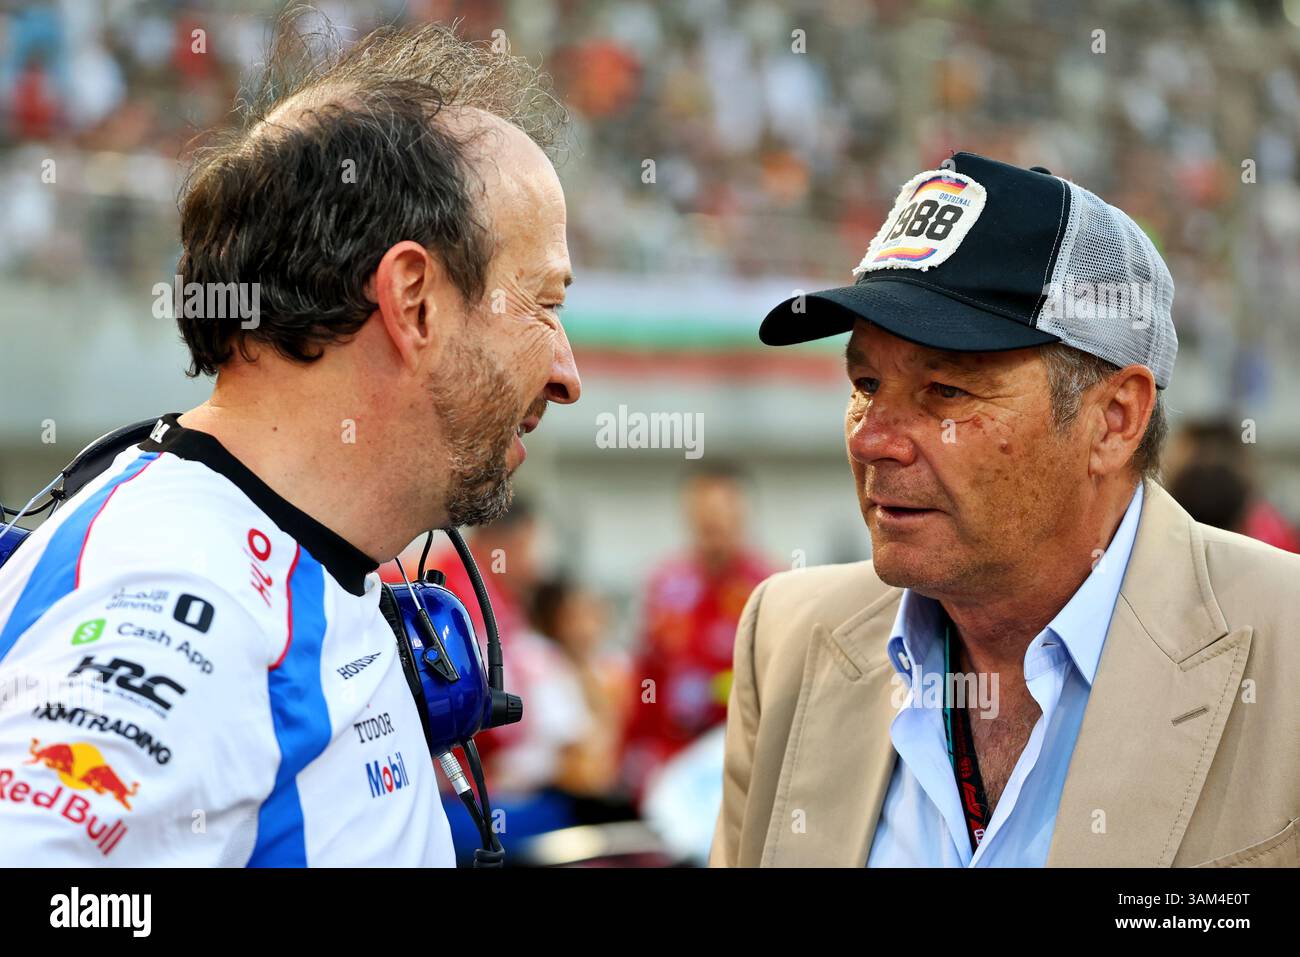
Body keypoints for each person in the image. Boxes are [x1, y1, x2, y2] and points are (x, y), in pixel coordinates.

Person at [0, 22, 580, 866]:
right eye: (545, 303)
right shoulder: (181, 607)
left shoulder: (294, 557)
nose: (566, 373)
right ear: (413, 300)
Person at [710, 152, 1300, 867]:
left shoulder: (1282, 652)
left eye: (946, 392)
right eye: (864, 382)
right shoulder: (789, 638)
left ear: (1114, 419)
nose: (872, 438)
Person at [622, 462, 773, 801]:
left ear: (743, 513)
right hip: (671, 761)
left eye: (723, 512)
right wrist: (631, 755)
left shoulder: (769, 588)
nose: (713, 523)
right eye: (703, 513)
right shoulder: (664, 585)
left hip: (742, 757)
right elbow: (646, 676)